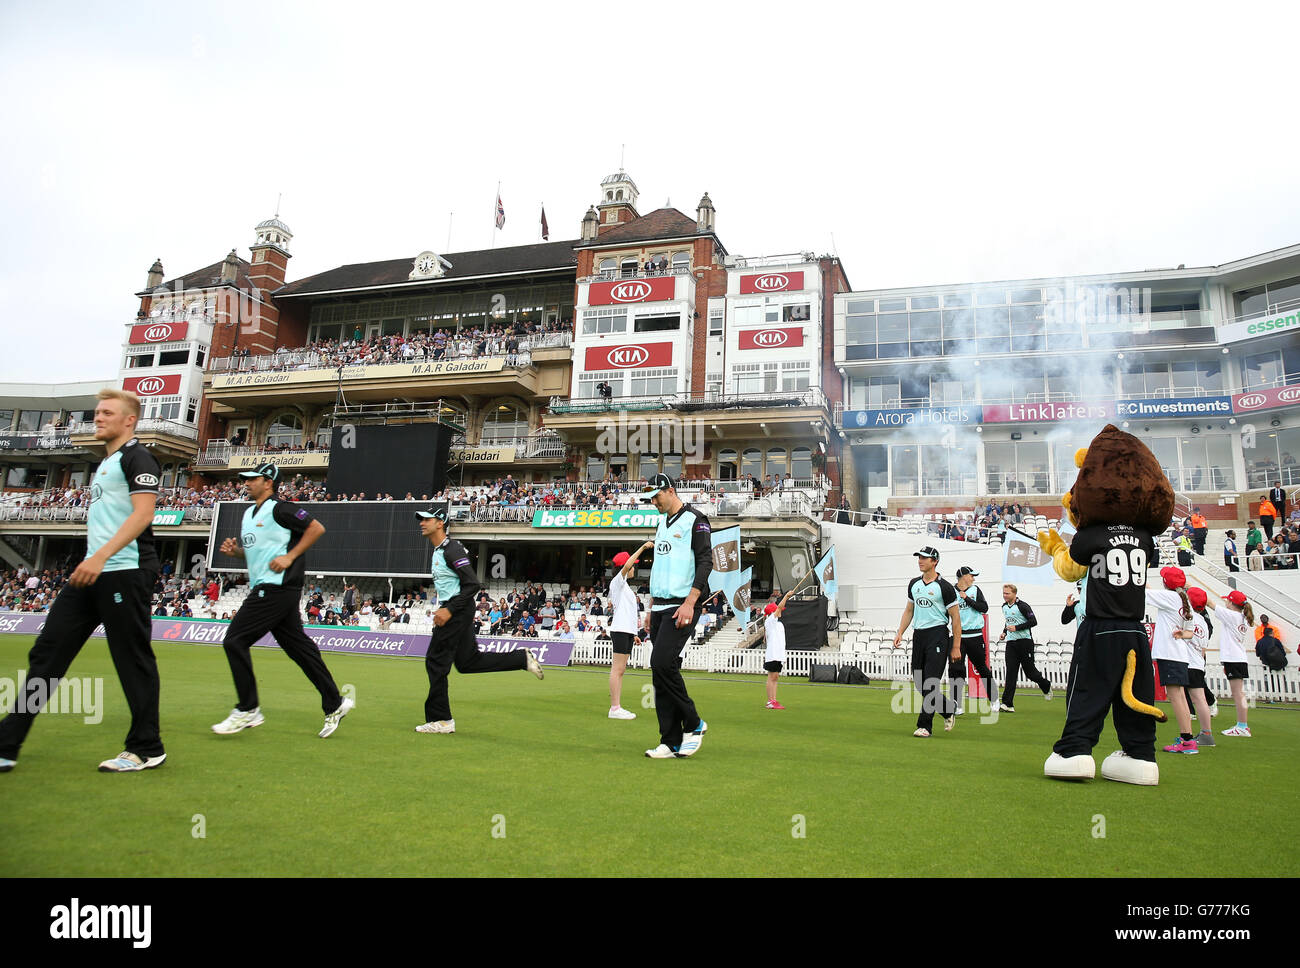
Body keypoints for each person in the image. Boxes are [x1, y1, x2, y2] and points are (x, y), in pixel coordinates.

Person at [0, 389, 166, 774]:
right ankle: (7, 743)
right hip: (93, 573)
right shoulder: (107, 462)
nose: (99, 418)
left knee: (132, 659)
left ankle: (147, 747)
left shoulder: (138, 457)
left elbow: (143, 515)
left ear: (130, 420)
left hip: (124, 570)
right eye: (97, 413)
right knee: (48, 652)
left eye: (108, 412)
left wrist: (101, 555)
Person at [212, 464, 354, 739]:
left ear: (268, 482)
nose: (246, 483)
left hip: (276, 587)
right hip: (271, 587)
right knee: (300, 649)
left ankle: (248, 707)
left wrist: (290, 558)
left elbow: (316, 528)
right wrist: (237, 554)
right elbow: (261, 553)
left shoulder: (281, 508)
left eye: (252, 479)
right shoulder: (249, 514)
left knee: (234, 640)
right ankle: (335, 703)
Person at [413, 505, 543, 734]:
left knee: (435, 662)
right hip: (455, 609)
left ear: (440, 523)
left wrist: (448, 610)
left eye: (427, 519)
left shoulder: (451, 549)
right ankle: (520, 658)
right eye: (420, 520)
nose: (422, 523)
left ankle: (441, 720)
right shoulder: (440, 550)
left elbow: (472, 583)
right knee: (467, 663)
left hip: (456, 610)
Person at [638, 474, 712, 759]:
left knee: (661, 663)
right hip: (659, 607)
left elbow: (706, 562)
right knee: (660, 673)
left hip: (682, 605)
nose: (654, 502)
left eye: (657, 496)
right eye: (651, 499)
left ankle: (694, 723)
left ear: (671, 490)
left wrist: (691, 602)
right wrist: (650, 606)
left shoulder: (696, 519)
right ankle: (670, 741)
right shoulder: (661, 523)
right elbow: (659, 567)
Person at [892, 545, 961, 737]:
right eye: (919, 557)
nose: (920, 561)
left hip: (938, 635)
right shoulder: (914, 584)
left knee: (931, 683)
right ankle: (947, 709)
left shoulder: (945, 587)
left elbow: (956, 618)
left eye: (924, 558)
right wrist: (900, 632)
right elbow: (909, 610)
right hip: (919, 635)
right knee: (920, 682)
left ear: (934, 561)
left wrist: (956, 646)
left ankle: (925, 726)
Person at [1146, 567, 1198, 754]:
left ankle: (1187, 740)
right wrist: (1181, 633)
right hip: (1179, 655)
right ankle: (1187, 738)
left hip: (1170, 654)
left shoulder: (1170, 598)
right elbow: (1190, 633)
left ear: (1166, 583)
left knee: (1176, 697)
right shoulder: (1184, 602)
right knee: (1180, 697)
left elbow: (1145, 594)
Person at [608, 542, 652, 720]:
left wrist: (634, 633)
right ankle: (615, 708)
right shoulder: (618, 581)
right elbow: (626, 566)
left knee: (621, 670)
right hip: (619, 630)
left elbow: (628, 612)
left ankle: (616, 707)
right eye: (634, 564)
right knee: (617, 669)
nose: (635, 567)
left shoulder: (624, 586)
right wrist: (642, 548)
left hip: (625, 631)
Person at [997, 584, 1052, 712]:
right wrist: (1004, 632)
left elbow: (1033, 621)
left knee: (1030, 673)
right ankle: (1007, 704)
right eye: (1004, 593)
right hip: (1011, 643)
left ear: (1014, 593)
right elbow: (1009, 621)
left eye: (1007, 593)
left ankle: (1045, 684)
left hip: (1025, 642)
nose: (1005, 596)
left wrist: (1017, 628)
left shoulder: (1022, 606)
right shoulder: (1004, 607)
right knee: (1011, 673)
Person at [949, 566, 995, 714]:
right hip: (957, 637)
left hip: (975, 636)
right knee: (956, 669)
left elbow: (984, 607)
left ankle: (993, 698)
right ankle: (957, 704)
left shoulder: (975, 590)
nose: (973, 578)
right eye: (971, 576)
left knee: (982, 668)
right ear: (963, 576)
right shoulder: (950, 591)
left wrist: (967, 599)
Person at [1211, 589, 1254, 737]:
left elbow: (1210, 604)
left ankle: (1242, 725)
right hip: (1238, 658)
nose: (1226, 602)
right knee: (1238, 693)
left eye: (1228, 600)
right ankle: (1242, 725)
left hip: (1233, 659)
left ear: (1231, 602)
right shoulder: (1241, 617)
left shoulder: (1233, 616)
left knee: (1238, 693)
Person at [1184, 587, 1217, 747]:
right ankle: (1206, 733)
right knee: (1200, 699)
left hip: (1187, 662)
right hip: (1197, 662)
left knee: (1184, 698)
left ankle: (1187, 737)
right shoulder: (1204, 622)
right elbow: (1203, 648)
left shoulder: (1188, 618)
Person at [763, 589, 796, 709]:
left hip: (778, 654)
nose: (781, 610)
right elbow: (779, 608)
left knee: (775, 677)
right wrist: (786, 596)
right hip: (772, 654)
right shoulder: (770, 621)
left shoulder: (779, 624)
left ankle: (774, 700)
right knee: (772, 677)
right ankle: (770, 701)